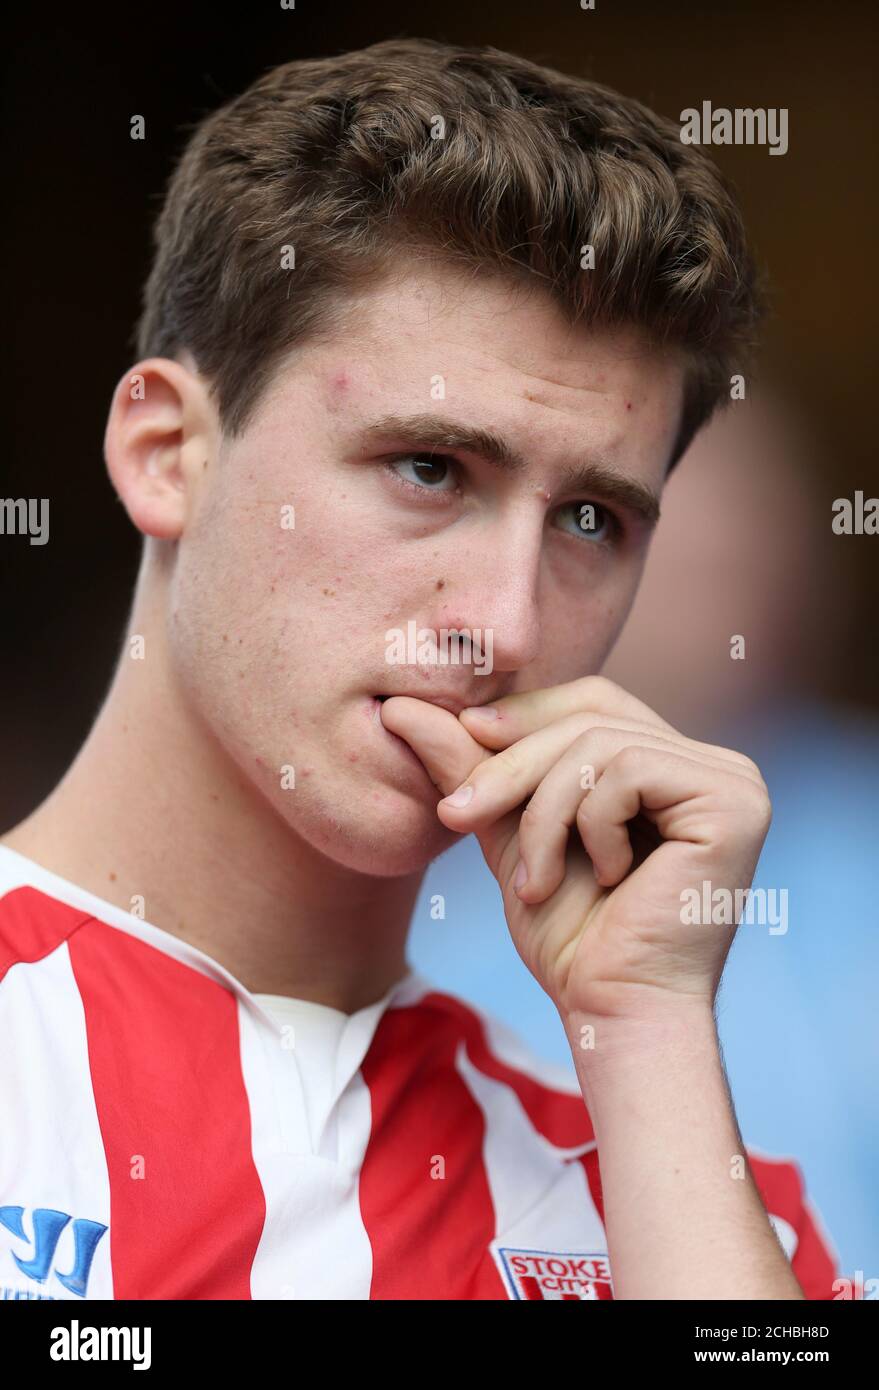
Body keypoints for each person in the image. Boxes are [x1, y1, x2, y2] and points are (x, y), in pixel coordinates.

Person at [0, 37, 840, 1300]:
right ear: (169, 451)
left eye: (591, 520)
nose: (503, 627)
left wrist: (649, 1029)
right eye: (431, 469)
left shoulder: (693, 1205)